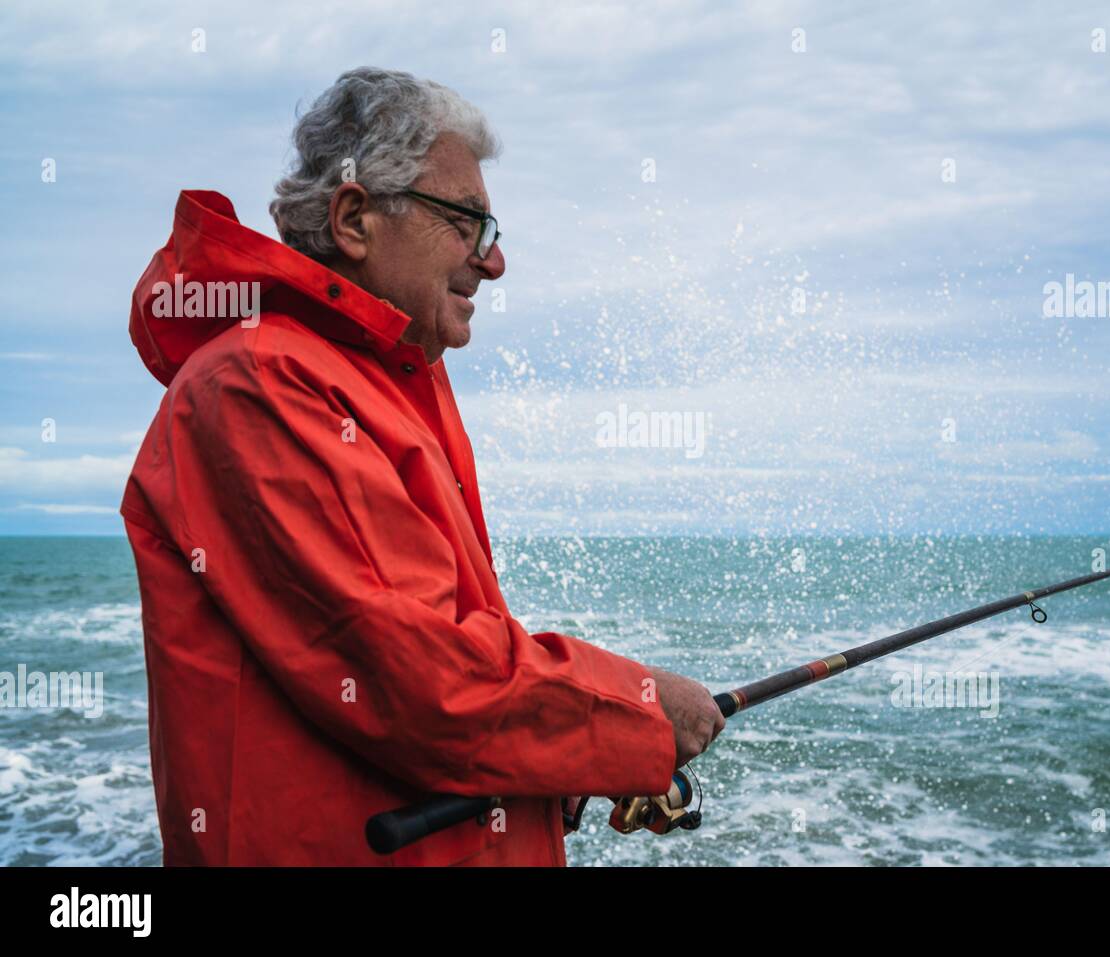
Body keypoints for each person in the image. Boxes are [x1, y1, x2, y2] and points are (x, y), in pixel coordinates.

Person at [120, 67, 725, 866]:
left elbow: (426, 680)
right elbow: (423, 680)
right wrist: (638, 712)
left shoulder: (380, 382)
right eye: (468, 223)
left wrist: (564, 770)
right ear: (355, 217)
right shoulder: (260, 384)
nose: (494, 261)